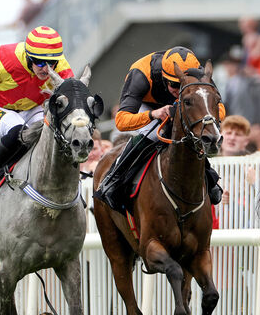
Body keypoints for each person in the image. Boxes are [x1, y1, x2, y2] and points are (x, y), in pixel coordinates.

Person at [95, 47, 225, 207]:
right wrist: (153, 114)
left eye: (183, 84)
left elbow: (219, 108)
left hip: (186, 104)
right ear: (164, 78)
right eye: (174, 85)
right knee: (153, 134)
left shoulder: (200, 75)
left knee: (192, 133)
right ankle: (114, 180)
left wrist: (205, 120)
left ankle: (210, 178)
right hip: (149, 106)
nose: (178, 90)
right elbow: (121, 121)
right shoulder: (140, 74)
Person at [0, 26, 74, 206]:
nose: (47, 70)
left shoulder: (61, 67)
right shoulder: (2, 59)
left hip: (33, 108)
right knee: (18, 132)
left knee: (51, 136)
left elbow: (70, 98)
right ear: (29, 57)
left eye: (51, 64)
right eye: (40, 63)